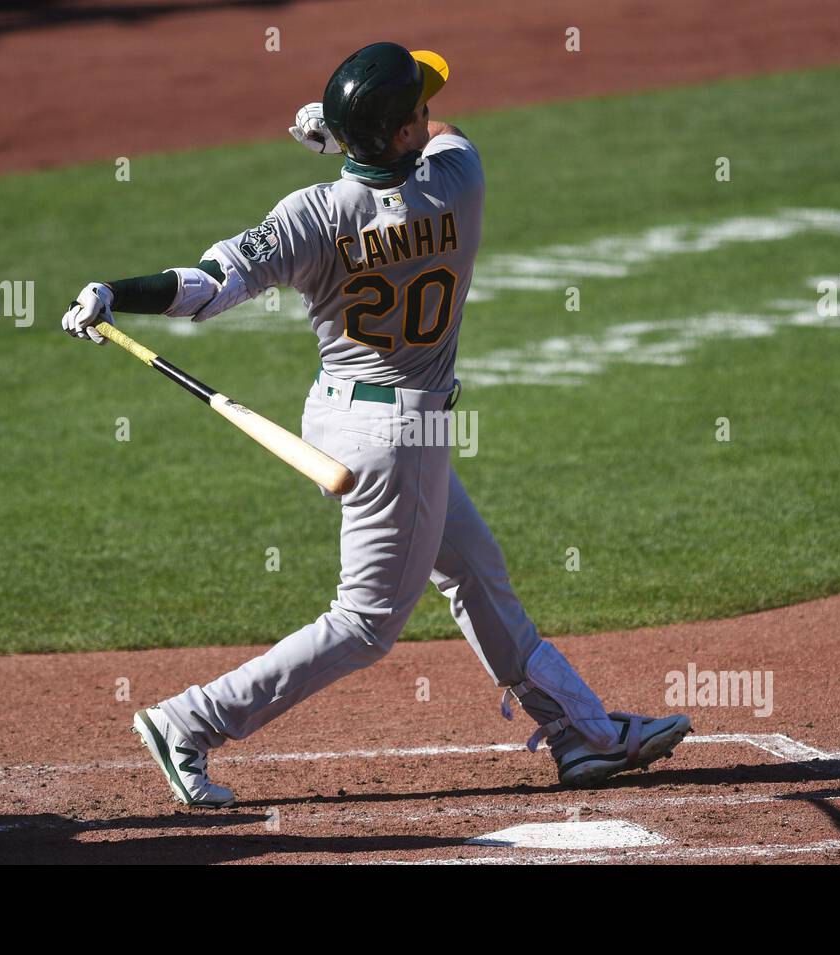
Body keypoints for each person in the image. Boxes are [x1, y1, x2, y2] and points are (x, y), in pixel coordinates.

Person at [62, 42, 691, 807]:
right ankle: (189, 720)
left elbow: (207, 287)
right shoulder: (460, 182)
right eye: (415, 109)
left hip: (336, 418)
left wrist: (112, 291)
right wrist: (343, 132)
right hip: (402, 441)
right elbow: (443, 130)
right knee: (364, 623)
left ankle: (581, 734)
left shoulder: (313, 215)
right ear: (401, 135)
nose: (429, 112)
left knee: (475, 573)